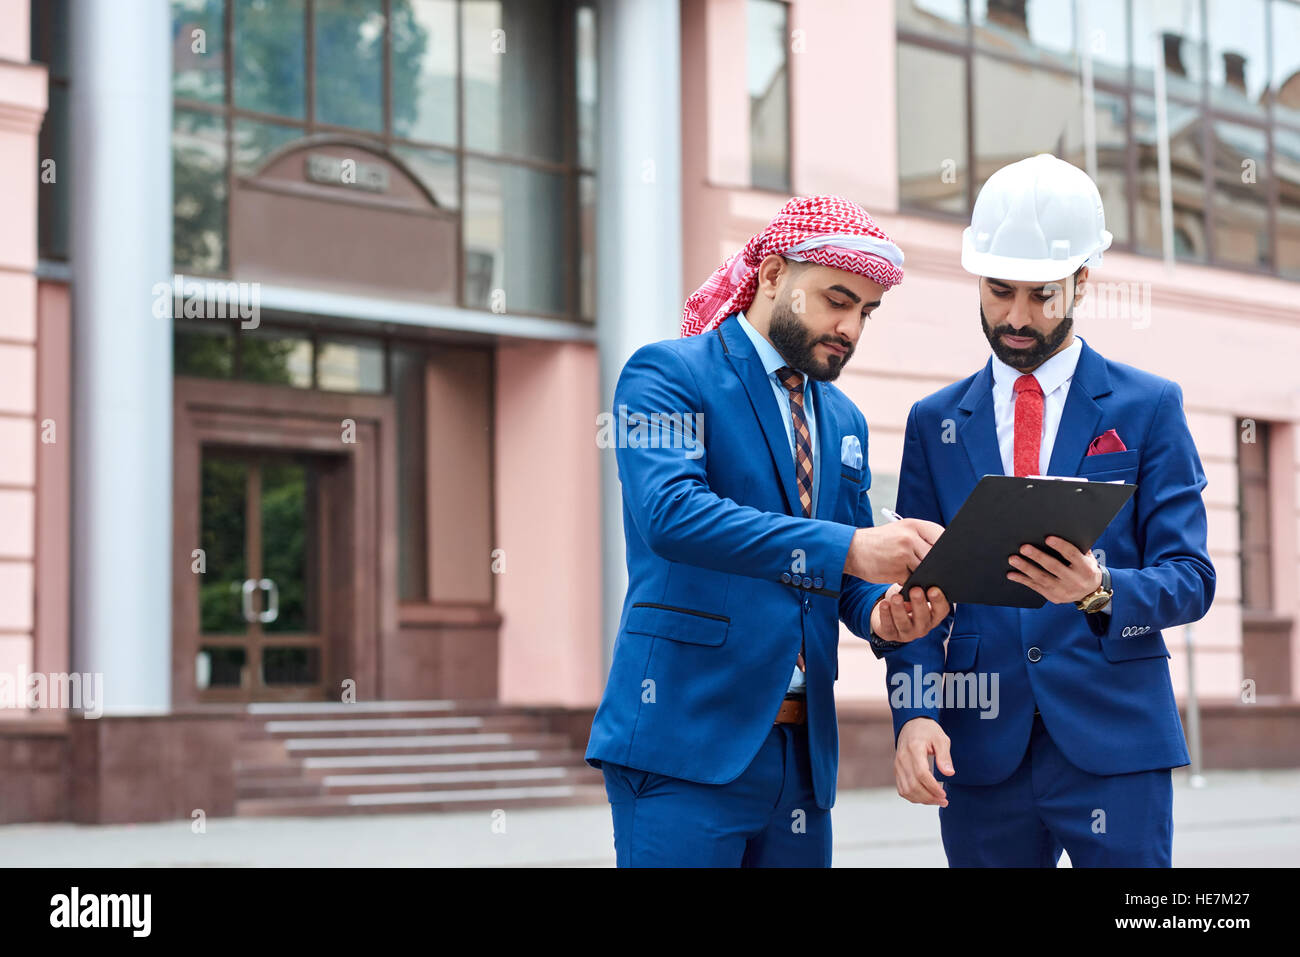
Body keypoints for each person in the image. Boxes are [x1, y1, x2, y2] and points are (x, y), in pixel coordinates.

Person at [585, 195, 949, 867]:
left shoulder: (844, 420)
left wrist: (883, 616)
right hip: (682, 744)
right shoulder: (666, 373)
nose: (851, 327)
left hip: (802, 761)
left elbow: (839, 578)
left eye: (866, 311)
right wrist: (852, 547)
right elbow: (672, 514)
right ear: (775, 273)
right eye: (837, 300)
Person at [886, 154, 1215, 867]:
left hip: (1115, 738)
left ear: (1083, 282)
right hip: (977, 749)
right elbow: (912, 591)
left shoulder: (1149, 407)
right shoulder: (933, 422)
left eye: (1042, 295)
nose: (1017, 316)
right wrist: (913, 712)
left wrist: (1100, 590)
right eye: (1000, 291)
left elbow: (1192, 577)